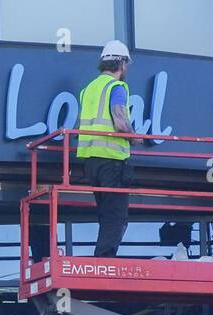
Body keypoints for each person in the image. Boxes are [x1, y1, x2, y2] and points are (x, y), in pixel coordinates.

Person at [76, 41, 136, 259]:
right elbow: (120, 121)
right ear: (121, 63)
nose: (127, 69)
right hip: (112, 160)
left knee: (105, 212)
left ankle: (103, 257)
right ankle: (104, 260)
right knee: (116, 215)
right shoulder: (116, 87)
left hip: (91, 161)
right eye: (126, 64)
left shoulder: (88, 89)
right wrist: (135, 138)